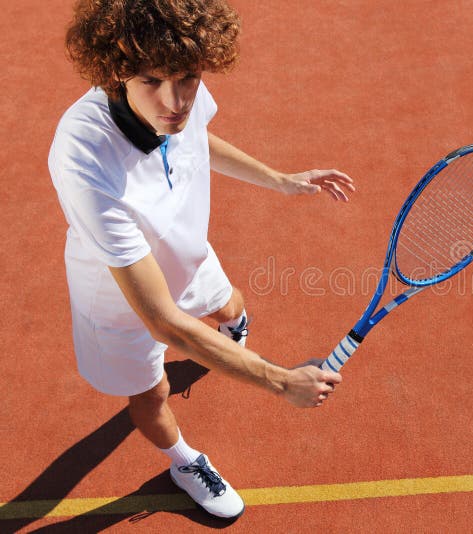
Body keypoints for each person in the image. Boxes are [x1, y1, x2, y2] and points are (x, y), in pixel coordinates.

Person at [49, 0, 353, 520]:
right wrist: (280, 381)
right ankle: (182, 462)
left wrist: (280, 180)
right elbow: (164, 321)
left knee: (232, 304)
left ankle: (227, 340)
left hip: (187, 251)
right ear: (117, 71)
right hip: (121, 300)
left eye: (188, 78)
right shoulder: (83, 154)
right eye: (152, 81)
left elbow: (195, 138)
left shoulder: (175, 76)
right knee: (154, 392)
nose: (175, 100)